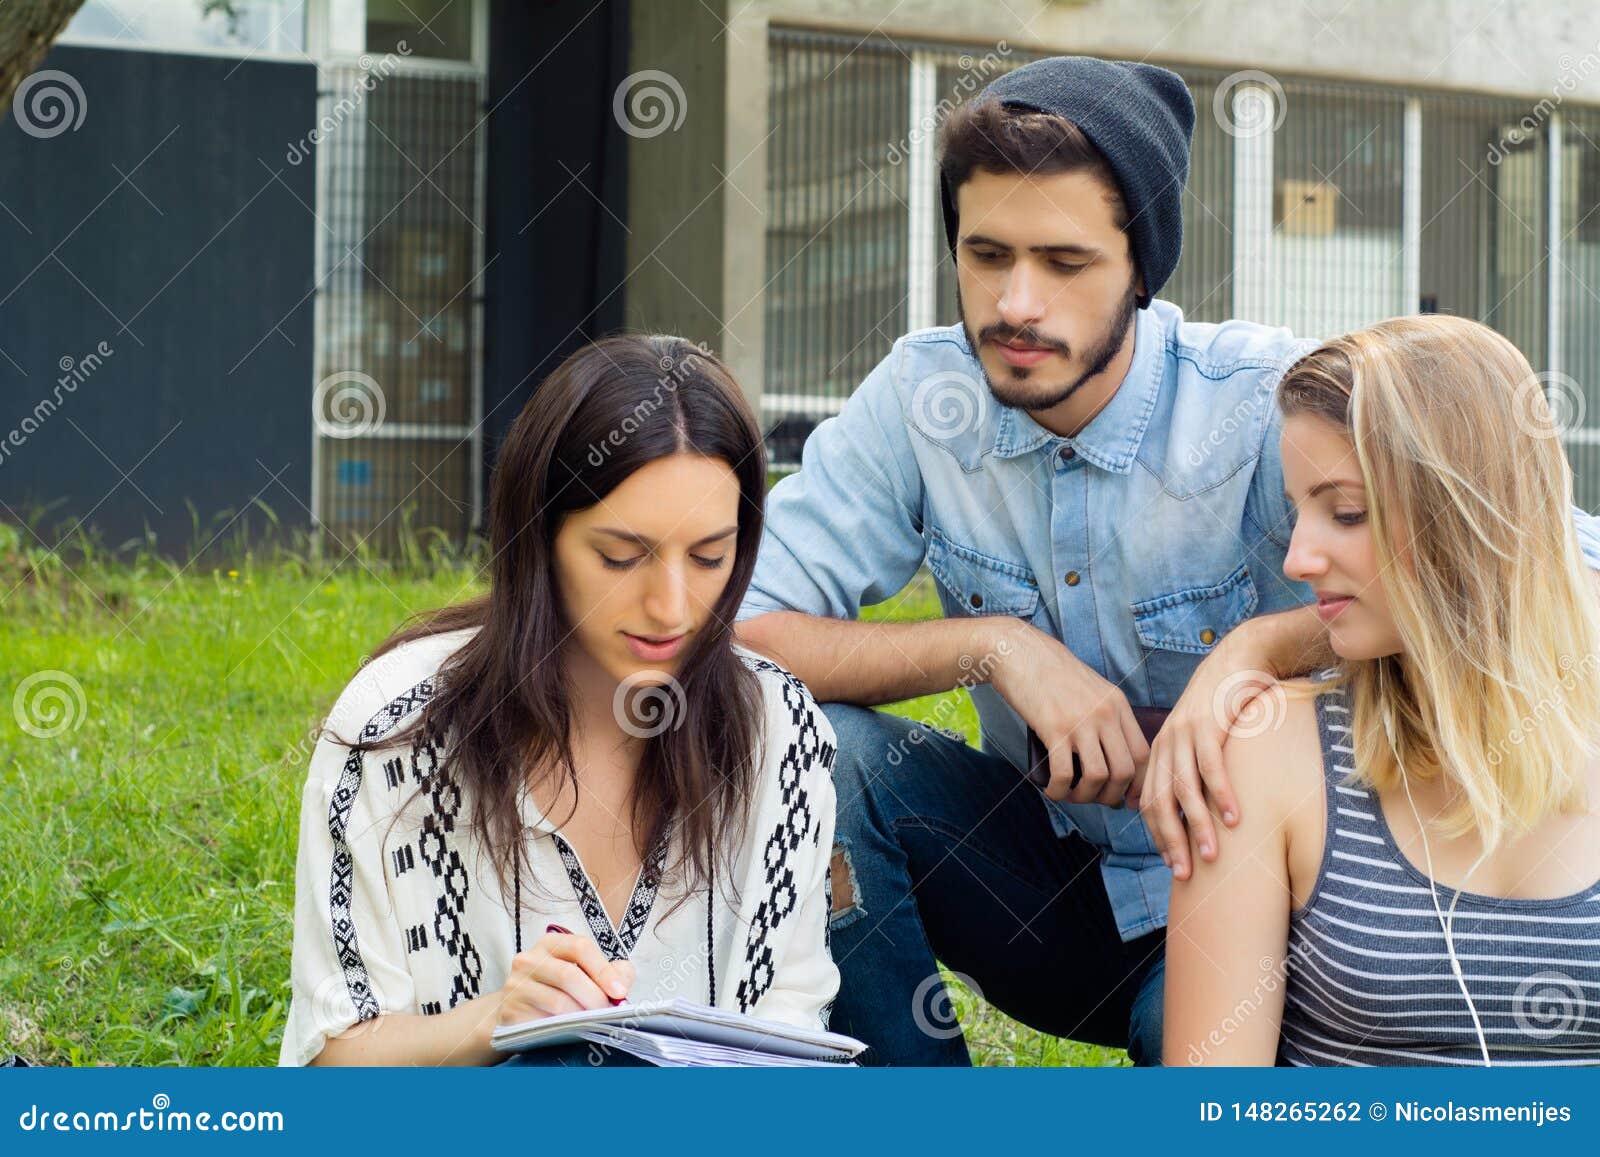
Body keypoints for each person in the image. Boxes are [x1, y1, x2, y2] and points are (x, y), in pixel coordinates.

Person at [732, 54, 1600, 1066]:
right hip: (1041, 883)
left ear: (1142, 267)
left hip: (1258, 902)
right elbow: (744, 624)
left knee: (1185, 1036)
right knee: (818, 745)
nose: (1015, 302)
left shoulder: (1271, 408)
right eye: (986, 254)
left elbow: (1523, 560)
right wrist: (995, 646)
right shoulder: (923, 402)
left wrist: (1248, 654)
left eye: (1064, 262)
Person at [279, 335, 839, 1067]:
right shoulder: (394, 730)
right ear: (538, 537)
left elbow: (790, 1040)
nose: (671, 606)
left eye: (710, 556)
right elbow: (330, 1065)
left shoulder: (780, 732)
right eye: (620, 556)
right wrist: (496, 1022)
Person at [1165, 316, 1600, 1065]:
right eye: (1297, 509)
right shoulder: (1270, 751)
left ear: (1464, 511)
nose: (1298, 557)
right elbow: (1209, 1113)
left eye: (1346, 511)